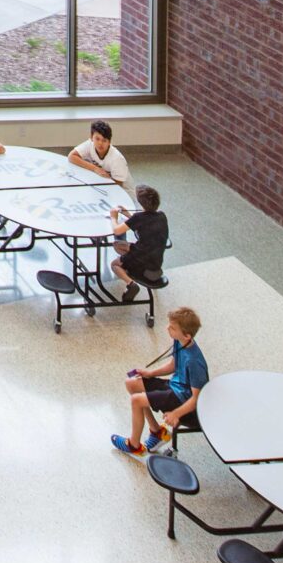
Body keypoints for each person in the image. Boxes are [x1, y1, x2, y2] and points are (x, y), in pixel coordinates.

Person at [113, 307, 208, 457]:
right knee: (132, 383)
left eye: (172, 327)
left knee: (136, 400)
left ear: (187, 335)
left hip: (183, 401)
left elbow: (196, 398)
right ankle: (156, 431)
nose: (167, 328)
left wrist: (176, 414)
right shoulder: (180, 341)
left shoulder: (195, 362)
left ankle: (133, 445)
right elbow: (173, 365)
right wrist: (149, 373)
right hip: (174, 387)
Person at [108, 184, 167, 304]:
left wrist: (113, 217)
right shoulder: (161, 216)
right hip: (155, 257)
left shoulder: (138, 217)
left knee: (114, 264)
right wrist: (128, 215)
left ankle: (131, 284)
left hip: (142, 261)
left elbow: (117, 230)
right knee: (119, 245)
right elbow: (142, 224)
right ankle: (128, 263)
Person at [68, 119, 129, 186]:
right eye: (97, 139)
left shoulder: (117, 158)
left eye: (104, 140)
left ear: (109, 142)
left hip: (123, 189)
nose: (100, 143)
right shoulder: (90, 144)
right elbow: (71, 156)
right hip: (101, 182)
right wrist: (96, 169)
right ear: (91, 137)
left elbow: (119, 183)